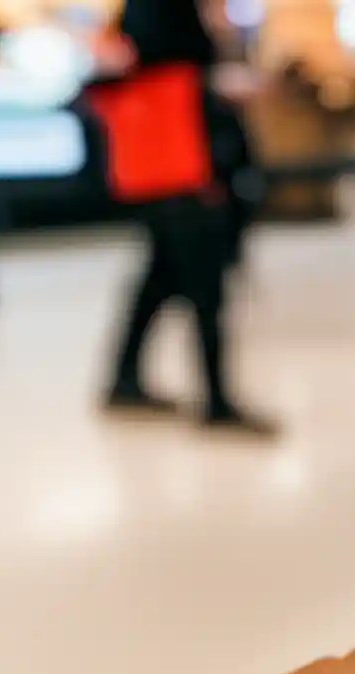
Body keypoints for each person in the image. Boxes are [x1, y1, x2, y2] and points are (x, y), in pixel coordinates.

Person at [97, 0, 275, 436]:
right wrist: (216, 74)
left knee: (160, 277)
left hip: (169, 160)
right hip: (183, 161)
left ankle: (124, 380)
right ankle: (216, 399)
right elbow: (162, 57)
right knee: (204, 282)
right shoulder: (163, 14)